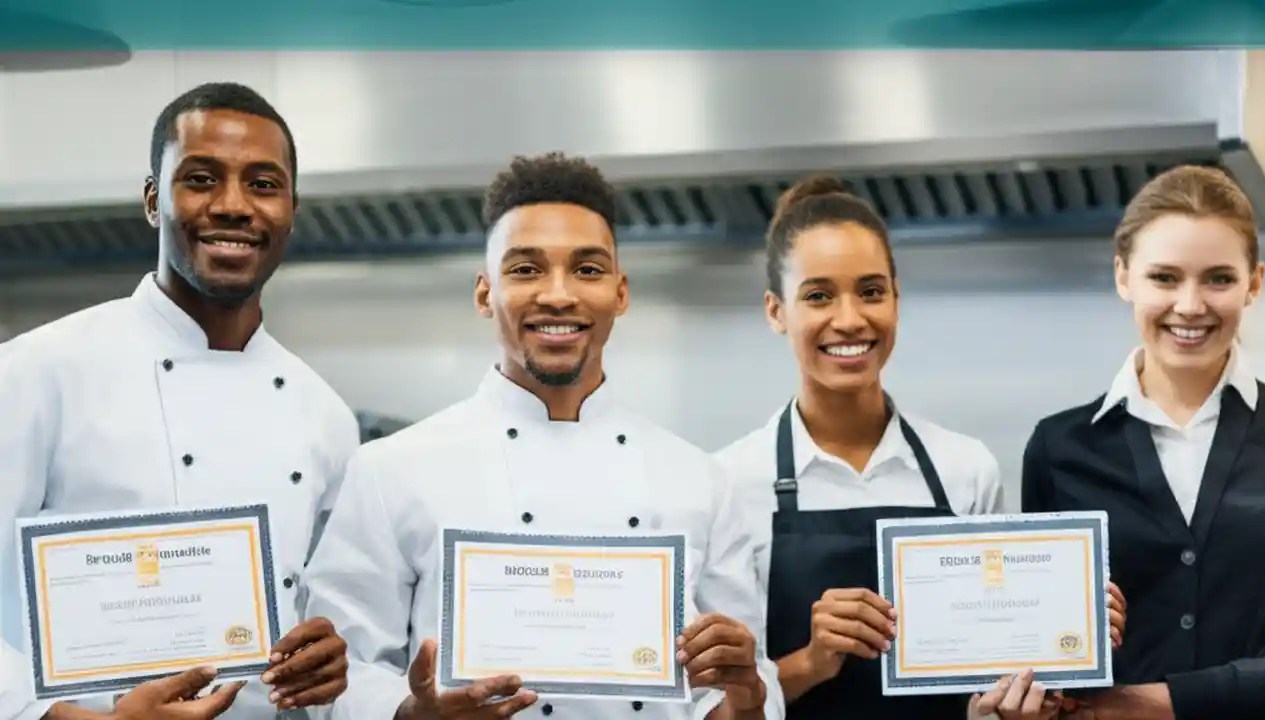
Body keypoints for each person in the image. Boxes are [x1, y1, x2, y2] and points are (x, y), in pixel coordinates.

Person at [300, 151, 784, 720]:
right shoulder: (390, 470)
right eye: (526, 269)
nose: (558, 295)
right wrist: (412, 714)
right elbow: (340, 672)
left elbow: (742, 690)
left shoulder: (701, 480)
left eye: (587, 269)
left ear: (620, 293)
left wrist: (747, 695)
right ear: (485, 294)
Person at [0, 82, 359, 720]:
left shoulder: (324, 414)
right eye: (200, 178)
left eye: (263, 184)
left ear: (292, 210)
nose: (233, 205)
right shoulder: (37, 372)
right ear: (152, 199)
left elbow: (332, 614)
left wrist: (331, 660)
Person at [713, 176, 1125, 719]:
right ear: (775, 311)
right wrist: (812, 661)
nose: (849, 318)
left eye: (870, 290)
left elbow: (984, 681)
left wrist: (1071, 630)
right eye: (817, 295)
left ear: (896, 299)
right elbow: (718, 709)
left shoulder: (965, 468)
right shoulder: (728, 482)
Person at [1015, 164, 1265, 720]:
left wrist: (1157, 703)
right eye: (1164, 277)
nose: (1190, 305)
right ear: (1123, 277)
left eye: (1218, 278)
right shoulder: (1058, 450)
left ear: (1254, 282)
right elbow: (1041, 643)